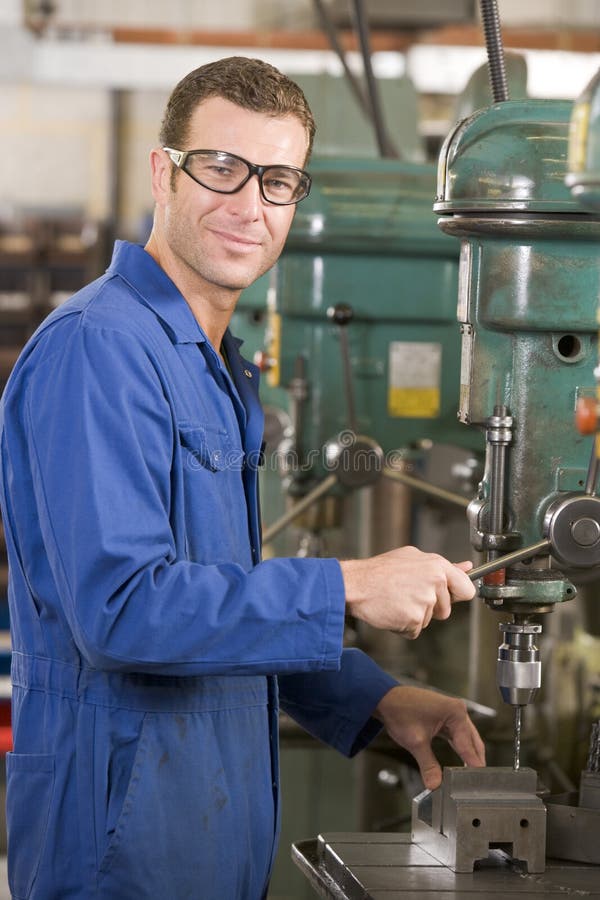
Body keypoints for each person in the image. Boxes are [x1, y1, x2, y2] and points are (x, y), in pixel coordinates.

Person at [0, 56, 485, 900]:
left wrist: (373, 698)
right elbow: (124, 611)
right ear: (164, 171)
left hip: (206, 837)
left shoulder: (212, 367)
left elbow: (218, 606)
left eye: (277, 179)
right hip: (120, 846)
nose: (248, 205)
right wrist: (345, 584)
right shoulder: (99, 349)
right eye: (221, 168)